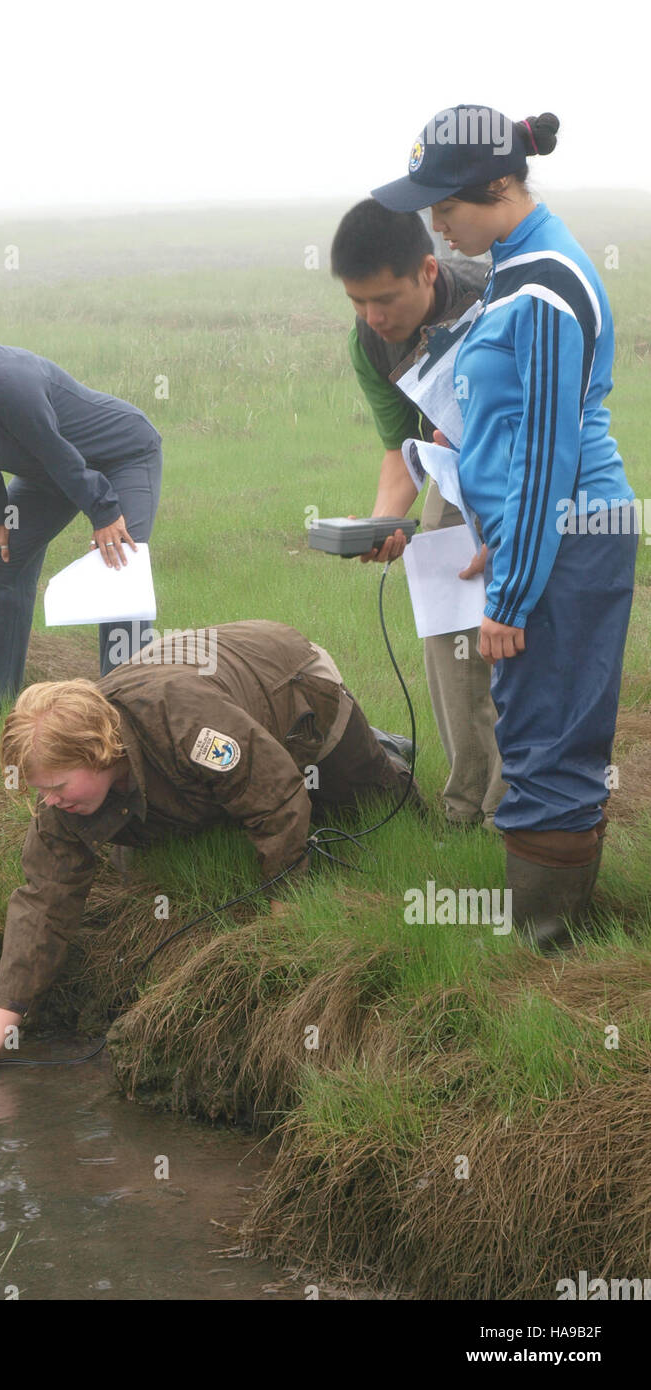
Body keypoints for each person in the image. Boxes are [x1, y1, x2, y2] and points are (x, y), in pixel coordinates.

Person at [371, 107, 638, 950]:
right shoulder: (513, 267)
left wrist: (512, 595)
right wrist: (499, 532)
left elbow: (551, 453)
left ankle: (546, 950)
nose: (435, 223)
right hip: (546, 531)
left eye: (444, 205)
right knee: (540, 725)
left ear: (497, 185)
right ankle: (554, 935)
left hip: (571, 529)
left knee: (545, 734)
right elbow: (514, 435)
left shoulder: (543, 286)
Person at [0, 619, 424, 1079]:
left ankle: (383, 747)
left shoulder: (186, 723)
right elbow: (44, 898)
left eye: (57, 786)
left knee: (363, 800)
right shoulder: (62, 788)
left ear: (99, 753)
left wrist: (283, 909)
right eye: (41, 790)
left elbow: (275, 795)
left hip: (291, 681)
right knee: (179, 822)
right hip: (208, 694)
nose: (49, 801)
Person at [0, 296, 163, 710]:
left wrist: (104, 512)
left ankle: (123, 713)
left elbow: (59, 453)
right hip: (51, 470)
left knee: (118, 574)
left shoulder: (8, 383)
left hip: (119, 456)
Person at [330, 199, 505, 830]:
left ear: (428, 272)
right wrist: (385, 524)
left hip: (526, 468)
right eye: (357, 303)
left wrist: (512, 527)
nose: (373, 318)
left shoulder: (496, 299)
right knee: (451, 631)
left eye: (385, 300)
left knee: (516, 631)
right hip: (448, 466)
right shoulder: (371, 345)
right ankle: (466, 804)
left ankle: (517, 807)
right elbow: (399, 447)